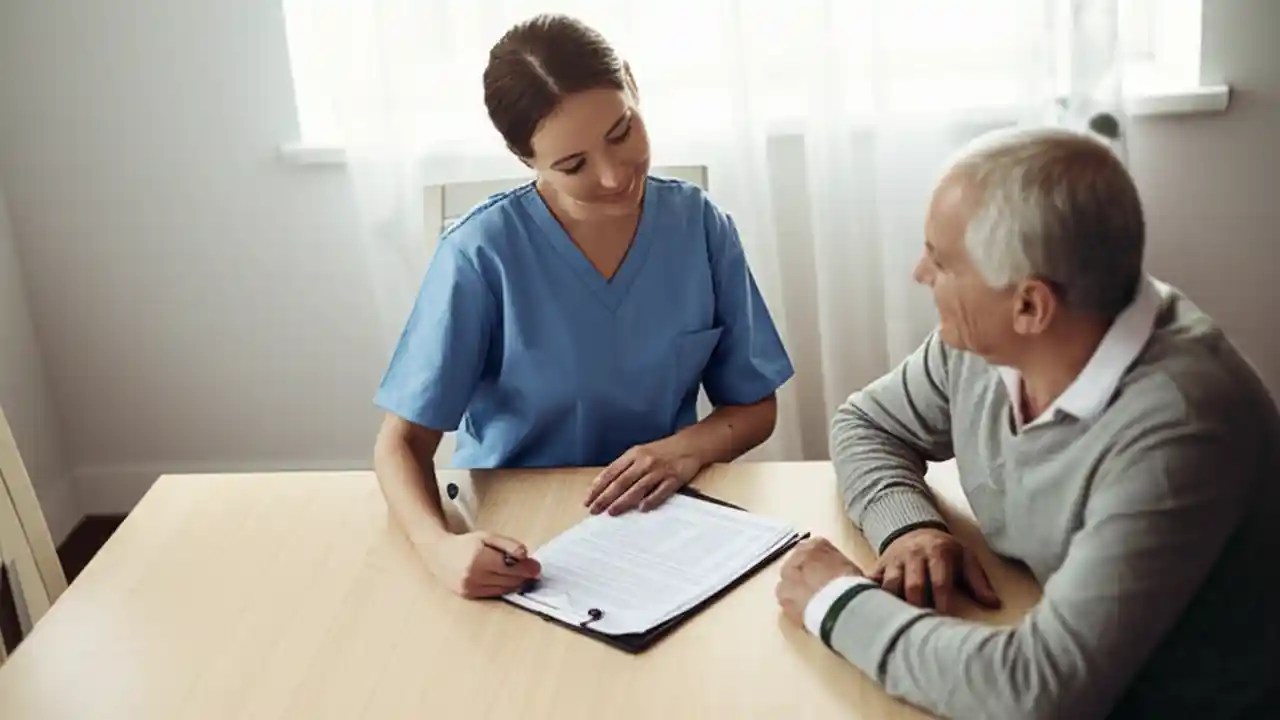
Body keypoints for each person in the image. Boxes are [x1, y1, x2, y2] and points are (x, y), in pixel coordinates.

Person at [775, 127, 1280, 718]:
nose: (920, 273)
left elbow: (1036, 690)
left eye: (941, 262)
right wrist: (907, 528)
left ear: (1029, 306)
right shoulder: (983, 348)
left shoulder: (1182, 429)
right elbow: (867, 423)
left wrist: (835, 602)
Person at [373, 14, 793, 600]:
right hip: (519, 535)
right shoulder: (479, 253)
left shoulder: (699, 226)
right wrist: (438, 547)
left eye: (622, 132)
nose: (615, 175)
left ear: (632, 84)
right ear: (527, 161)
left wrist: (683, 451)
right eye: (573, 165)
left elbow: (753, 406)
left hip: (664, 524)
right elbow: (400, 445)